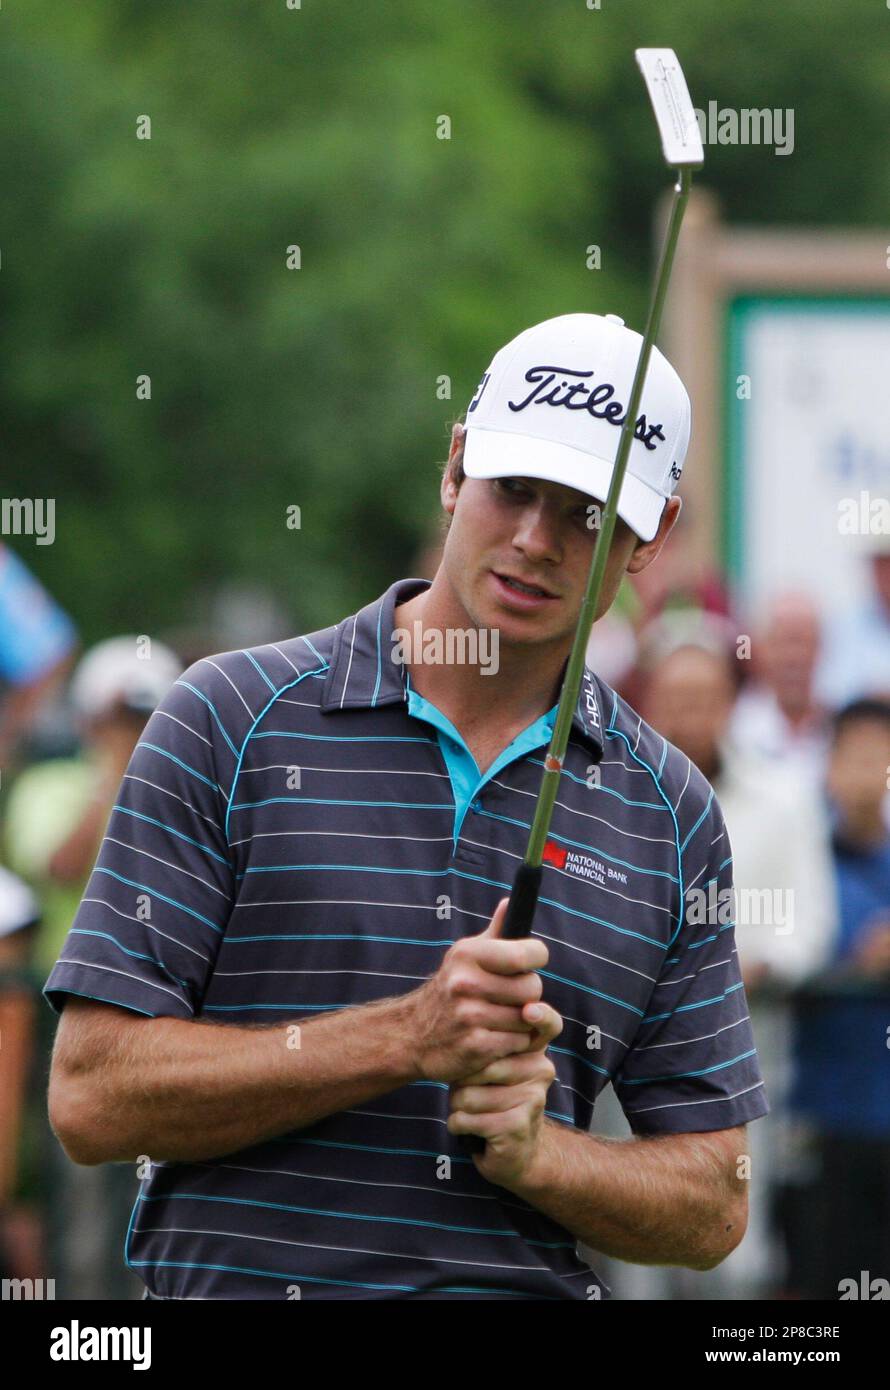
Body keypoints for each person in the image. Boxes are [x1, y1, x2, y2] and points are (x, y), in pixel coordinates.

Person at [44, 313, 768, 1301]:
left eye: (586, 516)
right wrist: (401, 1039)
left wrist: (540, 1156)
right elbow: (91, 1094)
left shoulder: (671, 811)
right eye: (512, 489)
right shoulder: (225, 717)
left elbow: (711, 1201)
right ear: (454, 466)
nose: (533, 542)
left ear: (652, 538)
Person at [788, 697, 890, 1298]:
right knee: (821, 1283)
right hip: (824, 1114)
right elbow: (784, 942)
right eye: (854, 754)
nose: (867, 770)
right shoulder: (803, 858)